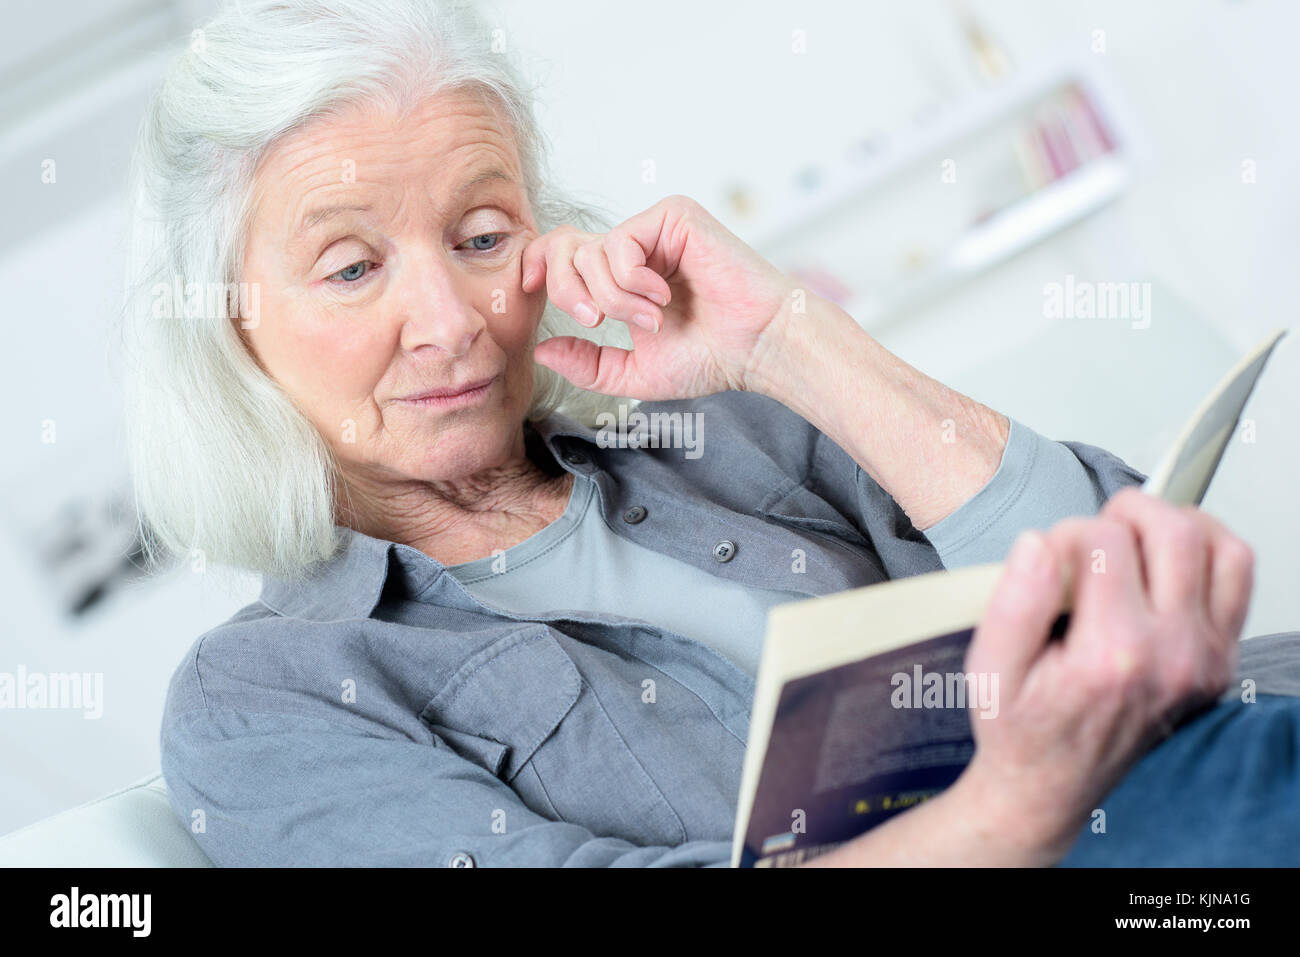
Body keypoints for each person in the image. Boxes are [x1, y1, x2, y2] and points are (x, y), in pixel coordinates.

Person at [123, 0, 1295, 867]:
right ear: (230, 326)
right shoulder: (264, 695)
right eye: (351, 265)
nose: (451, 321)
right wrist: (1019, 806)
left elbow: (1115, 577)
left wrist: (792, 338)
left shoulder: (731, 433)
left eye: (483, 236)